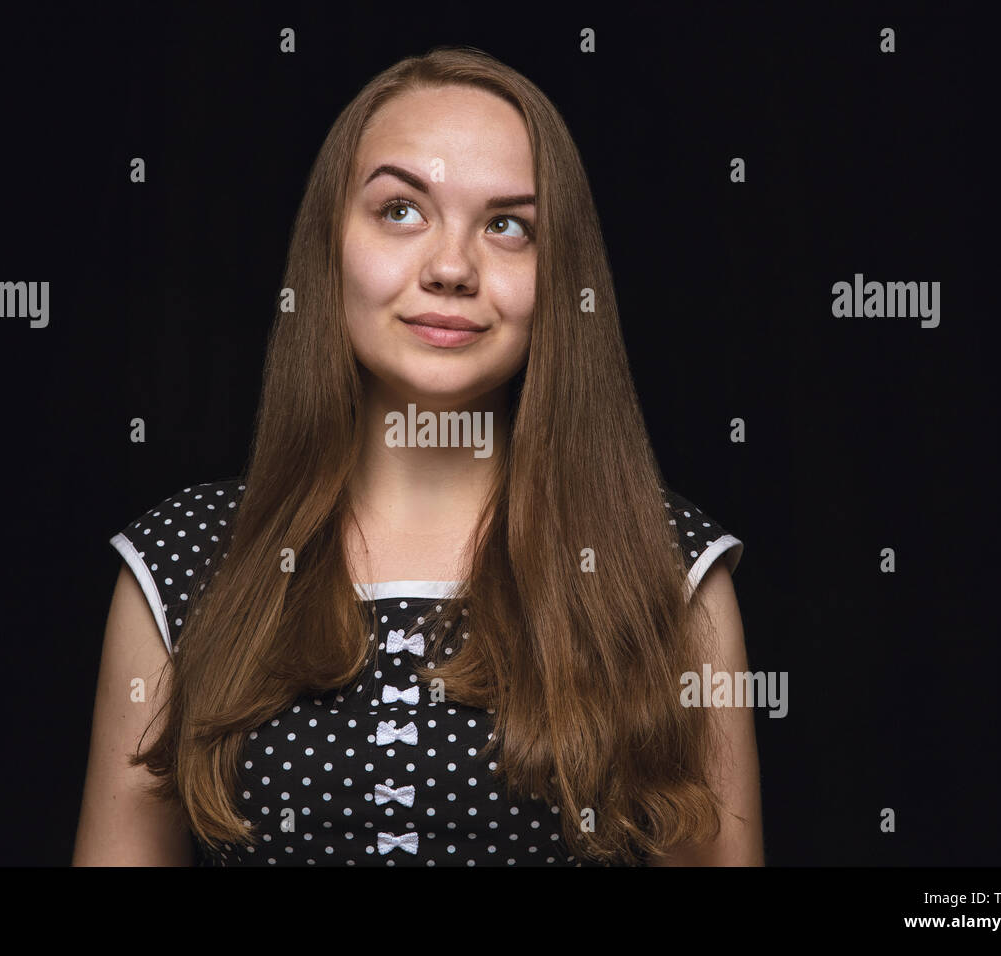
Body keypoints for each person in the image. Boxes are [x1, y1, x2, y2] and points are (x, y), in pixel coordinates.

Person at [73, 45, 762, 867]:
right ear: (330, 243)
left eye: (508, 226)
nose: (449, 268)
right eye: (402, 210)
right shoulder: (182, 561)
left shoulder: (670, 574)